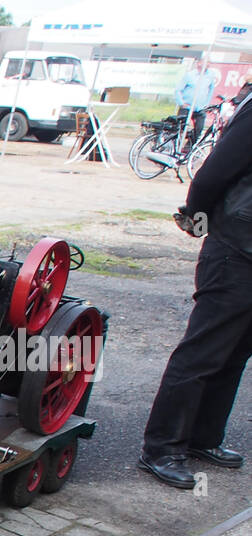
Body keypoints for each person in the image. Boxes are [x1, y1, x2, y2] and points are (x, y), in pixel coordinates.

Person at [139, 73, 252, 489]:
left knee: (236, 352)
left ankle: (204, 438)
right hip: (237, 249)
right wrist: (199, 221)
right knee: (203, 352)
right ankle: (162, 448)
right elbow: (210, 177)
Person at [175, 57, 219, 146]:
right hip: (187, 106)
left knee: (199, 128)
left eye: (209, 63)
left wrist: (206, 103)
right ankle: (175, 145)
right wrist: (181, 102)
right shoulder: (190, 75)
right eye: (206, 62)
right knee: (180, 128)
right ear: (199, 63)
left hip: (200, 107)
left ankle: (188, 147)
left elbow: (210, 90)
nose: (208, 65)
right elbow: (178, 90)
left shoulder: (210, 76)